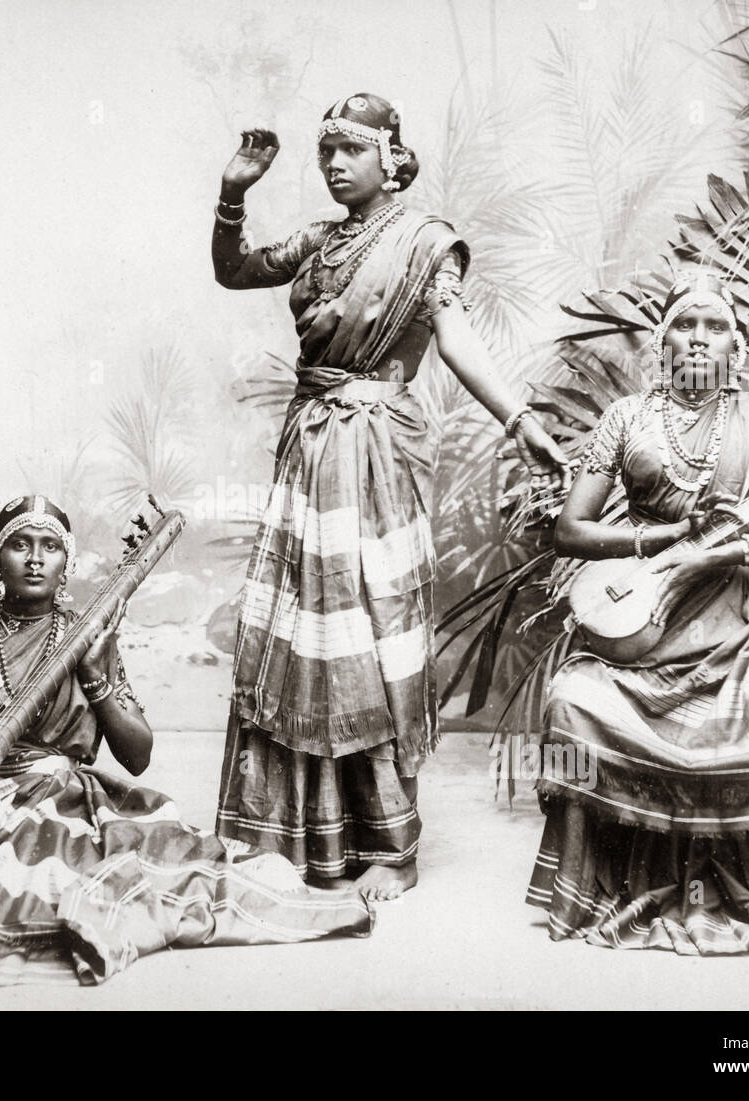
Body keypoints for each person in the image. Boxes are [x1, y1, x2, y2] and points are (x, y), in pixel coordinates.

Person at [0, 495, 373, 985]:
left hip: (69, 798)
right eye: (20, 544)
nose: (35, 559)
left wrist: (97, 674)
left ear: (68, 564)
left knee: (153, 868)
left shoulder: (90, 639)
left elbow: (137, 756)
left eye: (50, 546)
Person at [210, 94, 569, 900]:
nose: (334, 164)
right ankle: (299, 831)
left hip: (375, 449)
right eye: (324, 151)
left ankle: (392, 844)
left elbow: (455, 336)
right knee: (302, 626)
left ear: (391, 157)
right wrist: (234, 192)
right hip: (309, 444)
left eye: (349, 149)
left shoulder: (426, 243)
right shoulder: (316, 241)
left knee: (364, 627)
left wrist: (516, 417)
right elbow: (232, 270)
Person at [526, 273, 749, 956]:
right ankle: (611, 882)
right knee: (574, 700)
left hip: (743, 610)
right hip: (645, 611)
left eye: (715, 324)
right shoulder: (628, 417)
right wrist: (664, 540)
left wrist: (735, 548)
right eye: (685, 324)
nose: (699, 336)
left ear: (737, 344)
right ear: (663, 340)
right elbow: (570, 531)